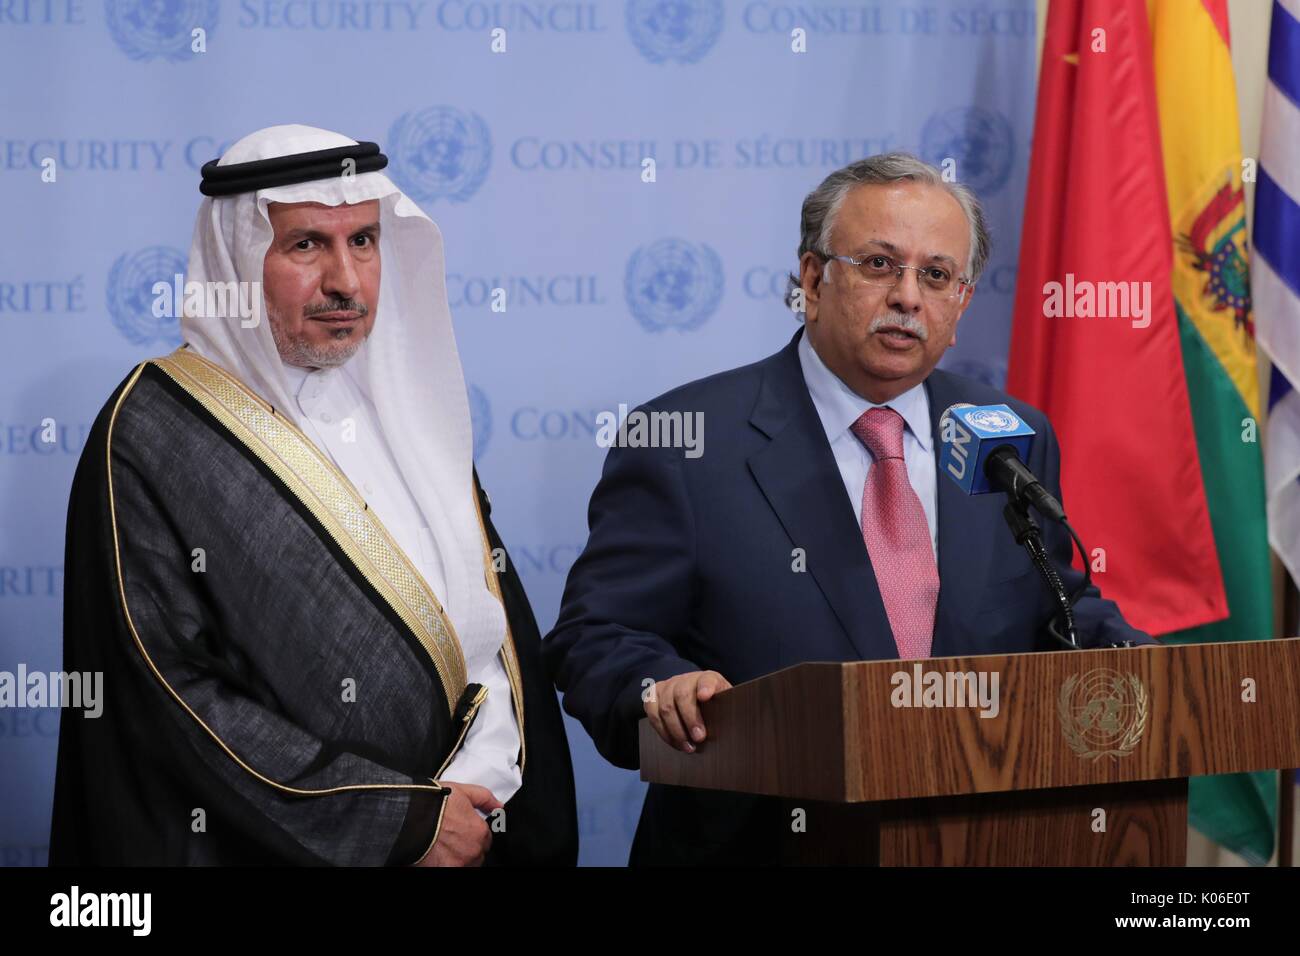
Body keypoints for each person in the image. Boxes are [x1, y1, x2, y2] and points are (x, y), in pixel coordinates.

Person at [544, 152, 1156, 866]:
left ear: (960, 304)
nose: (906, 297)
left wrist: (1130, 660)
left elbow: (1052, 600)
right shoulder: (686, 441)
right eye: (877, 265)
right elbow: (596, 635)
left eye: (935, 275)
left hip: (980, 838)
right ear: (810, 279)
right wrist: (660, 689)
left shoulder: (1005, 433)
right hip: (761, 844)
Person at [50, 125, 576, 866]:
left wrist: (476, 784)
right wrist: (400, 823)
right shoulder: (151, 432)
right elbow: (169, 692)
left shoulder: (411, 414)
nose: (346, 281)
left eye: (363, 241)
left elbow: (489, 638)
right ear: (236, 260)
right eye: (306, 246)